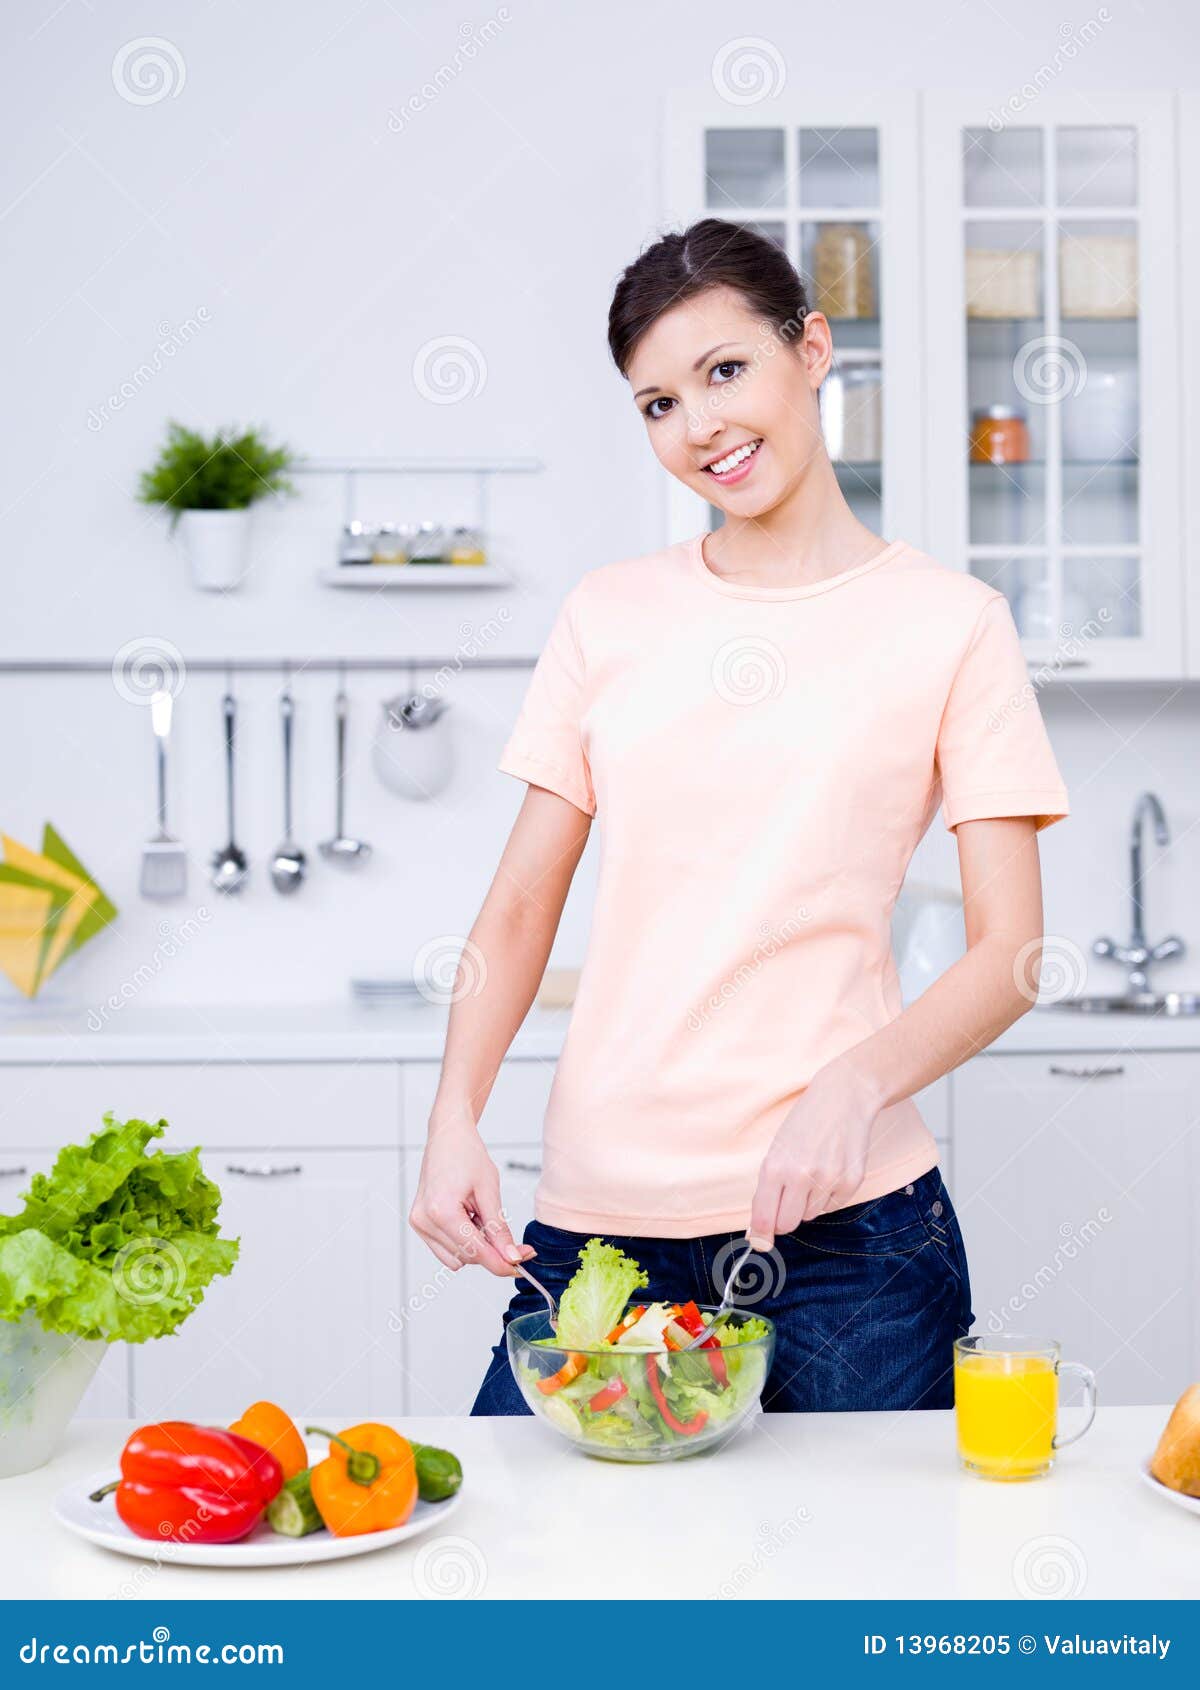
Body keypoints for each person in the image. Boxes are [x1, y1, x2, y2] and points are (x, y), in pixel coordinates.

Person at [408, 218, 1069, 1414]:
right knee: (532, 1589)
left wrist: (853, 1085)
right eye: (658, 403)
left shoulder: (951, 624)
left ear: (810, 348)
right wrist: (453, 1115)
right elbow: (517, 904)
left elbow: (1012, 951)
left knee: (854, 1595)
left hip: (850, 1239)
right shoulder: (608, 619)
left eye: (724, 372)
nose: (699, 425)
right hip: (600, 1231)